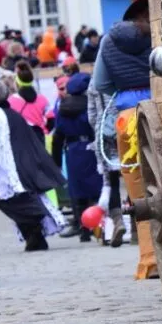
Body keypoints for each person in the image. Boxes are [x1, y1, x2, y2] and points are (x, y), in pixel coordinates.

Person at [92, 0, 154, 264]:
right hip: (158, 104)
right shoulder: (160, 35)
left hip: (127, 112)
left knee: (135, 181)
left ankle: (149, 256)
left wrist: (122, 91)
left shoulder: (108, 40)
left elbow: (100, 83)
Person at [0, 80, 65, 251]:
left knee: (10, 201)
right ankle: (34, 236)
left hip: (9, 169)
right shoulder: (13, 114)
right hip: (19, 165)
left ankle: (36, 230)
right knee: (15, 200)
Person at [51, 73, 103, 242]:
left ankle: (83, 230)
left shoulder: (63, 108)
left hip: (72, 150)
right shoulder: (90, 105)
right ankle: (99, 226)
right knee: (95, 188)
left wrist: (56, 161)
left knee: (77, 190)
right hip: (91, 147)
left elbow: (57, 136)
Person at [8, 61, 49, 141]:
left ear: (16, 83)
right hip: (41, 139)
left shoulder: (10, 101)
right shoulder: (42, 99)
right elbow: (50, 119)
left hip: (22, 141)